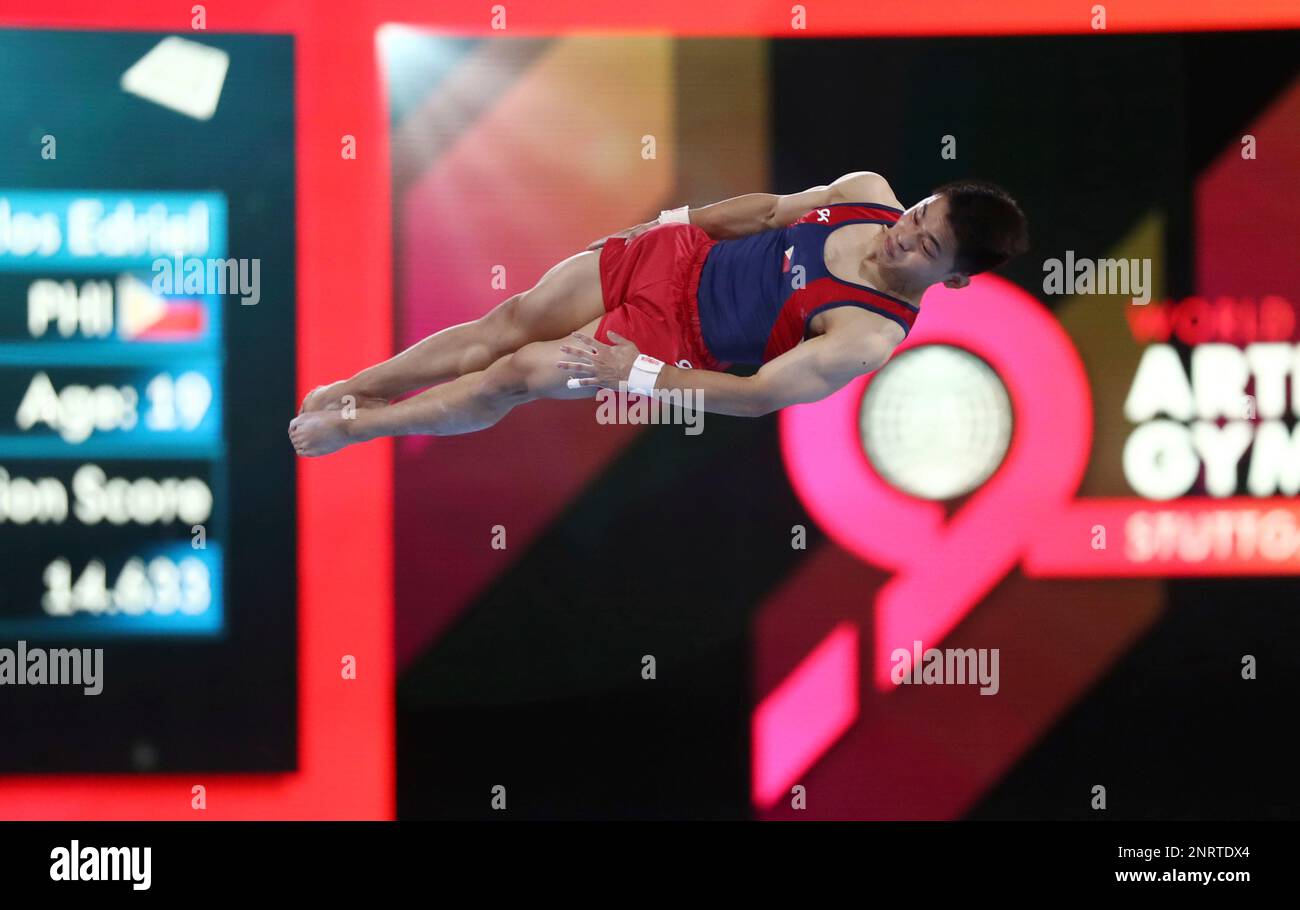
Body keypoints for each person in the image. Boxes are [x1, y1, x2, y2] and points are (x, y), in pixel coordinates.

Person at [289, 172, 1028, 456]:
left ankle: (357, 428)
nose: (904, 234)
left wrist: (635, 373)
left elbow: (756, 395)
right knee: (507, 323)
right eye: (919, 212)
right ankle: (366, 384)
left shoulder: (867, 336)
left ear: (952, 281)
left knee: (514, 374)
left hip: (671, 340)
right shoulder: (870, 190)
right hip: (674, 256)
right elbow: (767, 212)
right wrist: (669, 221)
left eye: (924, 245)